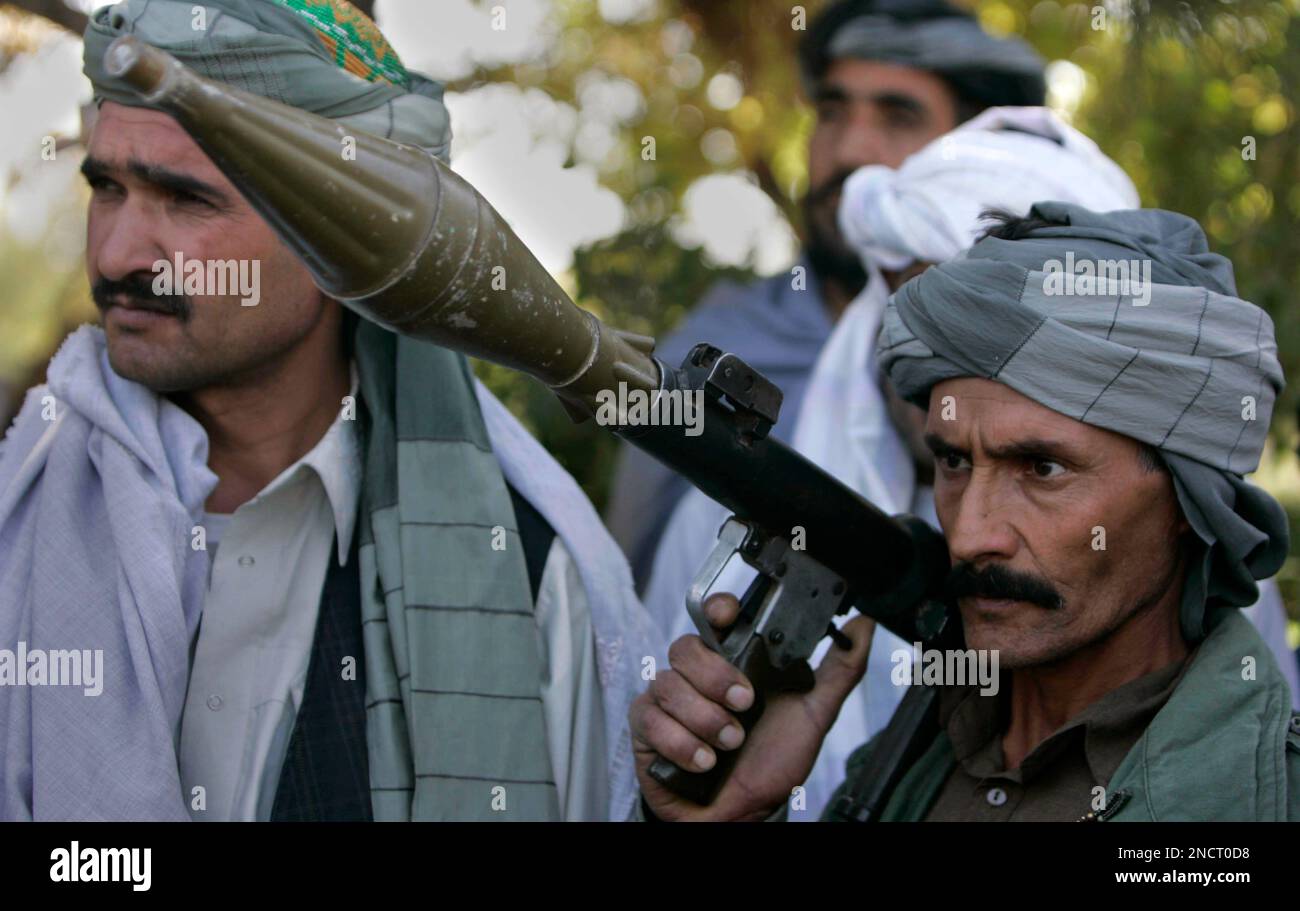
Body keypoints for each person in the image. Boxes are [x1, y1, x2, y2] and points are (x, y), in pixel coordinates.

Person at [0, 0, 660, 822]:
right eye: (108, 187)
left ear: (345, 238)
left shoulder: (531, 577)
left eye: (185, 200)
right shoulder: (19, 515)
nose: (117, 253)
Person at [631, 203, 1299, 822]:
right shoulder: (916, 749)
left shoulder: (1254, 801)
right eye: (953, 462)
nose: (972, 534)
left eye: (1042, 469)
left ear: (1187, 502)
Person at [604, 0, 1047, 592]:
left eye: (899, 117)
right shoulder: (728, 338)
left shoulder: (1037, 340)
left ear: (968, 156)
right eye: (833, 113)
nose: (849, 154)